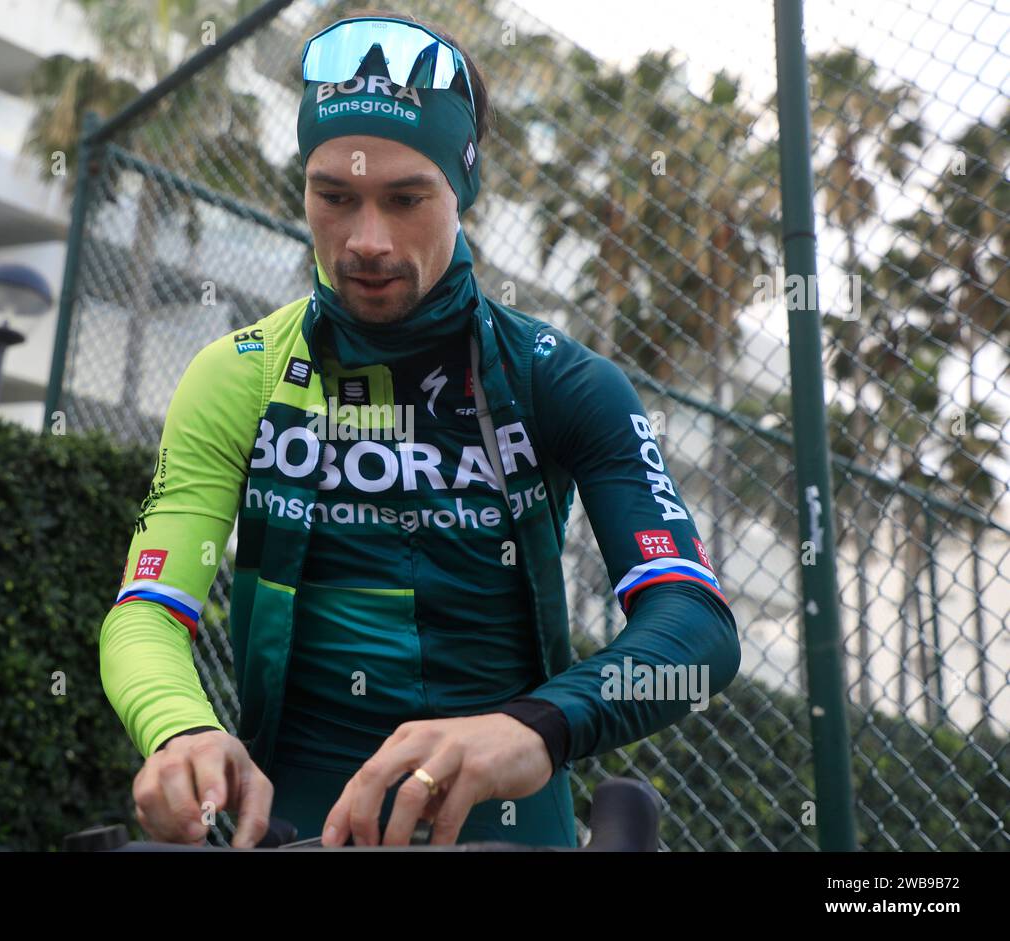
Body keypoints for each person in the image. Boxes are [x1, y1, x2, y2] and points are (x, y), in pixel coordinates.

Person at [99, 10, 741, 849]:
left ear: (463, 189)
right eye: (333, 196)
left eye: (407, 199)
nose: (366, 240)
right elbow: (146, 607)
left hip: (510, 825)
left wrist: (535, 726)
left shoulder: (563, 378)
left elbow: (697, 623)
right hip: (294, 819)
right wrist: (179, 731)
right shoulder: (239, 372)